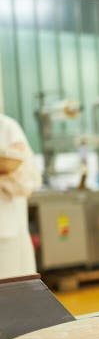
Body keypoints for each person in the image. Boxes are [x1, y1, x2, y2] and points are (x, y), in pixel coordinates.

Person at [0, 114, 41, 279]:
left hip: (6, 233)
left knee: (10, 290)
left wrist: (6, 174)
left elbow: (27, 180)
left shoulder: (7, 128)